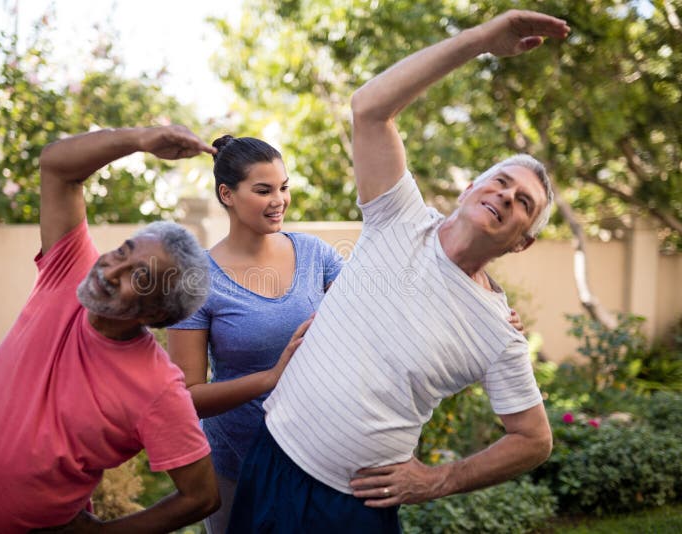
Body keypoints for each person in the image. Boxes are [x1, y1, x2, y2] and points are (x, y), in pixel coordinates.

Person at [227, 9, 571, 533]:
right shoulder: (399, 217)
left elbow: (534, 439)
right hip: (272, 460)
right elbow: (369, 108)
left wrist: (439, 479)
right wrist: (479, 41)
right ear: (469, 189)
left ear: (523, 241)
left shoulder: (500, 333)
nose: (506, 195)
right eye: (500, 181)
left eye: (523, 201)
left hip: (354, 509)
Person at [0, 125, 221, 533]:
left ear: (156, 313)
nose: (109, 270)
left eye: (137, 278)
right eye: (122, 252)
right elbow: (56, 166)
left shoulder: (158, 386)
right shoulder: (67, 272)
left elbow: (202, 496)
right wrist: (141, 139)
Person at [166, 135, 343, 533]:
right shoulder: (197, 280)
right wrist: (269, 378)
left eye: (283, 187)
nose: (278, 200)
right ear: (226, 194)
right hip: (237, 463)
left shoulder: (317, 256)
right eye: (263, 190)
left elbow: (374, 322)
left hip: (319, 454)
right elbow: (186, 397)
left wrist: (486, 304)